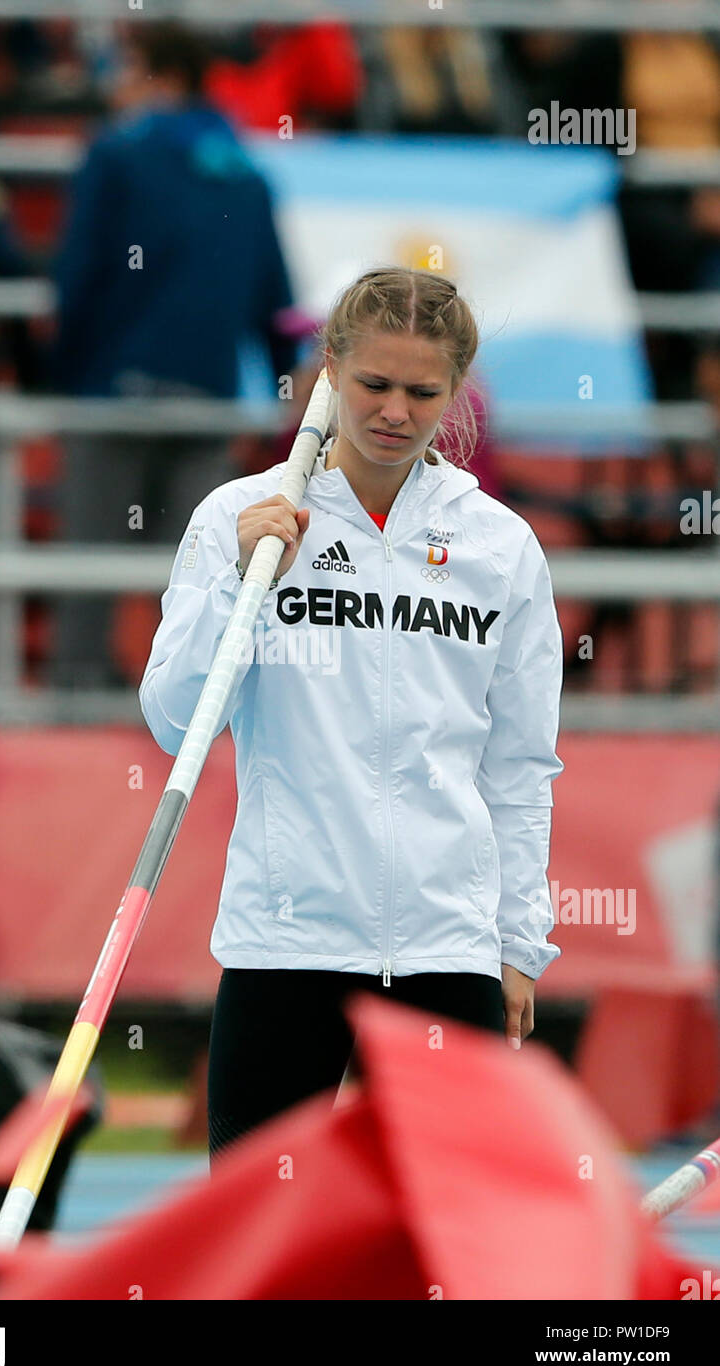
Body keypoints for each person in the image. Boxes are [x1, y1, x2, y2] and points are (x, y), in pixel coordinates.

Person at [139, 267, 564, 1160]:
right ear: (329, 371)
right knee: (261, 1249)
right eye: (374, 384)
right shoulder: (240, 520)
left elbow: (521, 765)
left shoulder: (500, 546)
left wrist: (517, 943)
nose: (396, 413)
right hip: (286, 937)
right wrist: (239, 586)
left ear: (455, 394)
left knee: (451, 1245)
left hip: (449, 948)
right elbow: (175, 722)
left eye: (423, 392)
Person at [50, 20, 297, 689]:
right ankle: (187, 716)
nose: (112, 86)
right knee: (198, 581)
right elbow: (275, 304)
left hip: (112, 394)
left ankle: (74, 706)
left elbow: (76, 281)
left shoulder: (115, 155)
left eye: (125, 69)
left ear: (165, 76)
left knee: (88, 575)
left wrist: (66, 379)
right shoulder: (246, 172)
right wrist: (282, 400)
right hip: (207, 401)